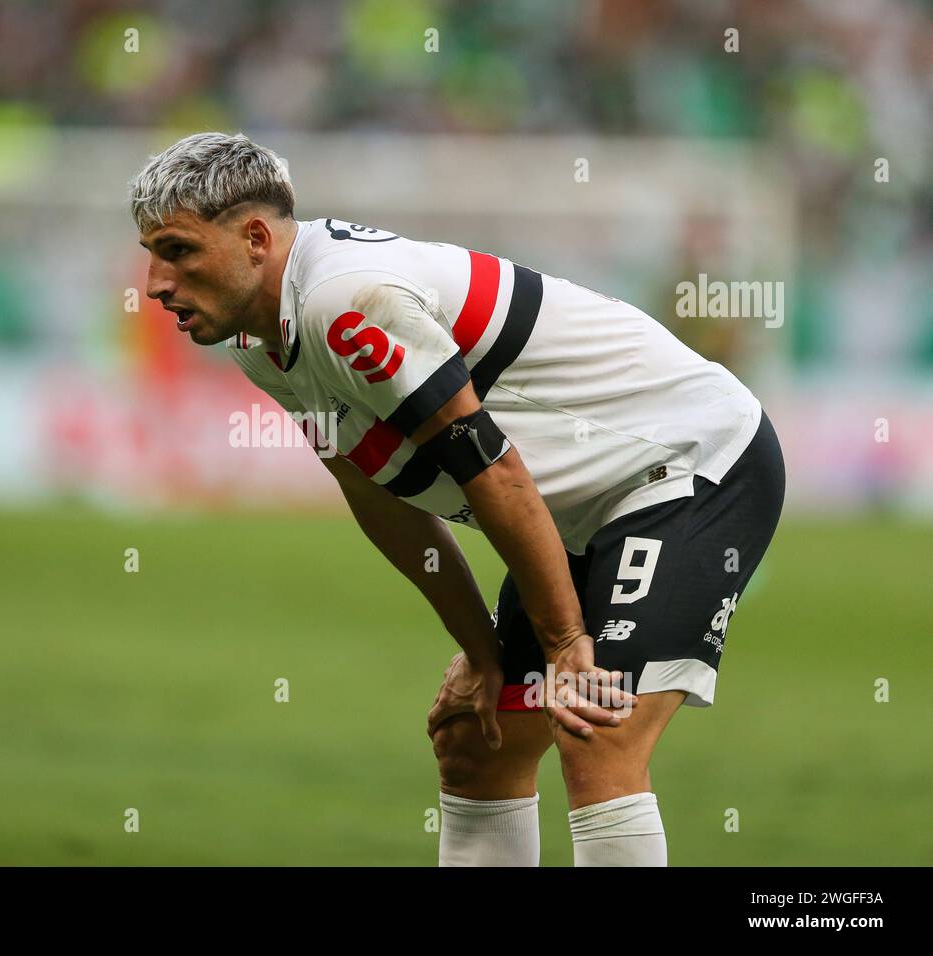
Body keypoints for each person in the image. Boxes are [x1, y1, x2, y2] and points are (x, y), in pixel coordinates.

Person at [128, 132, 785, 866]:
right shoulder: (260, 340)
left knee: (595, 722)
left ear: (254, 237)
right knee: (478, 740)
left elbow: (494, 472)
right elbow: (377, 498)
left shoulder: (346, 304)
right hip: (583, 508)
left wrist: (568, 645)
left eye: (178, 250)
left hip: (687, 463)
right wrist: (482, 652)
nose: (155, 282)